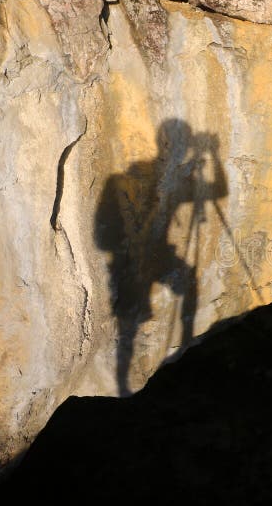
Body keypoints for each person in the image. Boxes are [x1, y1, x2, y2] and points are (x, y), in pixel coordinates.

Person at [94, 119, 228, 395]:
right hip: (137, 254)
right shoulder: (148, 175)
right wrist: (210, 156)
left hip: (156, 251)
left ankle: (187, 341)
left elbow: (219, 191)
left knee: (188, 279)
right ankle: (122, 380)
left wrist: (211, 156)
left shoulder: (176, 177)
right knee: (130, 322)